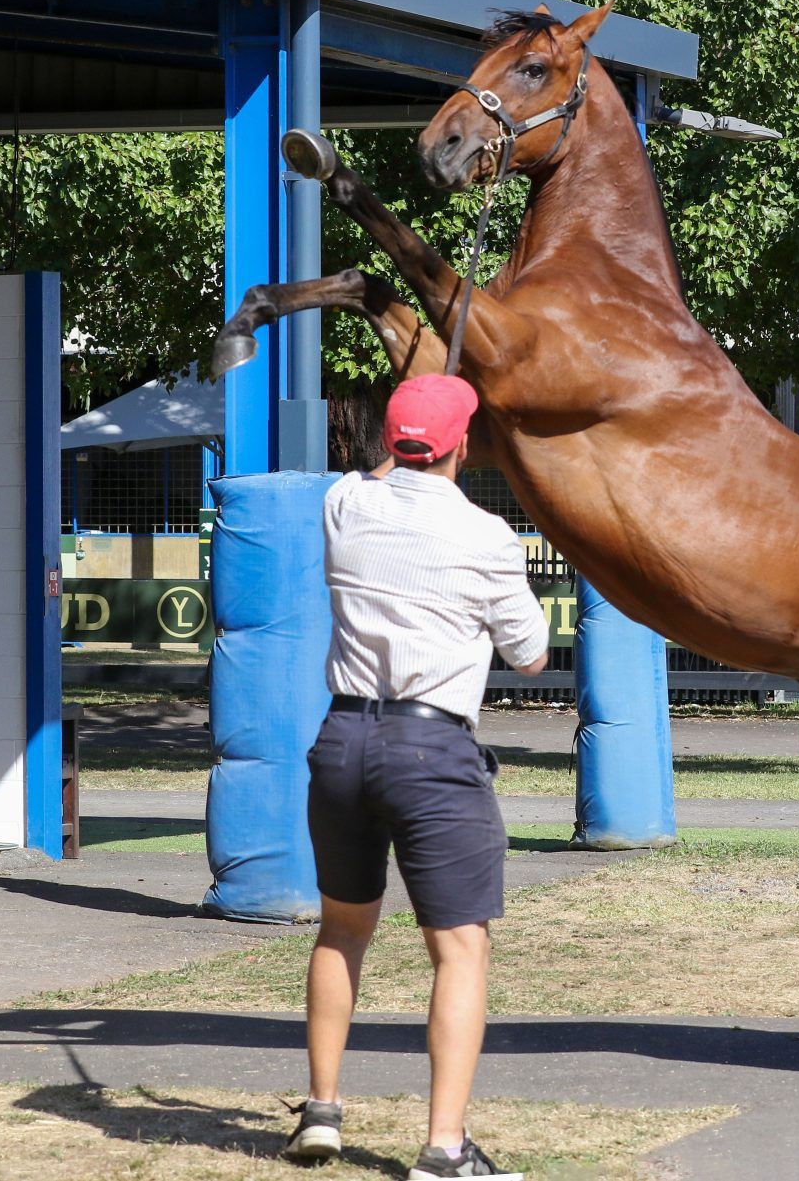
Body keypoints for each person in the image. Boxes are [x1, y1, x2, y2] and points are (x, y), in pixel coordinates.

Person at [284, 374, 548, 1179]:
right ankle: (444, 1148)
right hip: (432, 749)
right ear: (463, 445)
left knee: (341, 928)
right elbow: (531, 653)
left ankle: (321, 1111)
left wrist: (404, 444)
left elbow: (372, 476)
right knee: (460, 949)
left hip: (342, 739)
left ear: (390, 441)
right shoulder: (487, 536)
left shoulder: (344, 504)